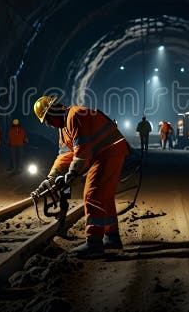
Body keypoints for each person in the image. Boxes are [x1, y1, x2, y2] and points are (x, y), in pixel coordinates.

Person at [32, 95, 129, 257]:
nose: (48, 125)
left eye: (47, 120)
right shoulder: (63, 128)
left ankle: (94, 243)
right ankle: (112, 237)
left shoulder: (75, 116)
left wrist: (71, 175)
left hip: (109, 151)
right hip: (106, 152)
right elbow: (65, 155)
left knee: (92, 195)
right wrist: (51, 177)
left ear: (53, 112)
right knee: (104, 197)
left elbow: (82, 152)